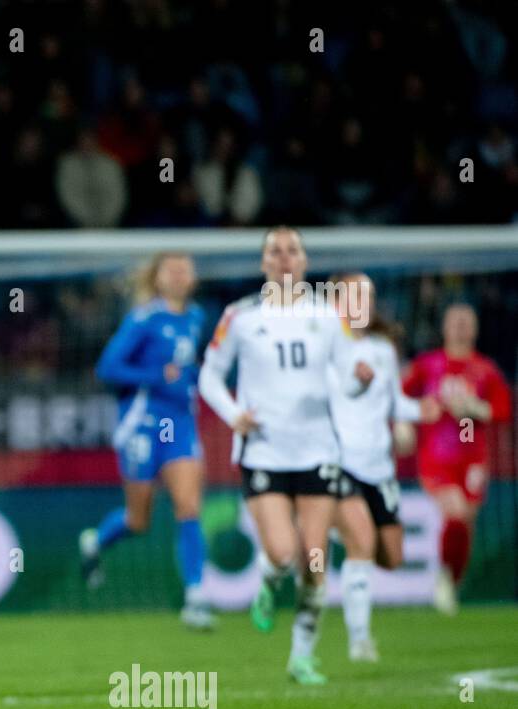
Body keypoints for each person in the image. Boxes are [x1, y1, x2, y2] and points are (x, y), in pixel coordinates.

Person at [198, 226, 373, 685]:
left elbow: (348, 380)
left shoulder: (328, 316)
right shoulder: (239, 317)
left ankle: (301, 656)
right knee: (282, 552)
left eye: (292, 250)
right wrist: (233, 413)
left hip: (317, 451)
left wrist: (362, 378)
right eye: (274, 251)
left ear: (304, 261)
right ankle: (269, 578)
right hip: (264, 452)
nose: (284, 258)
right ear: (263, 264)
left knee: (314, 557)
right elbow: (210, 376)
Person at [79, 252, 213, 630]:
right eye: (172, 269)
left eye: (186, 268)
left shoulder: (197, 317)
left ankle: (196, 598)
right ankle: (96, 541)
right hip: (142, 423)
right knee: (139, 520)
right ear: (158, 278)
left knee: (188, 506)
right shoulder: (144, 318)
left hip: (181, 423)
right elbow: (108, 367)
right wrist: (157, 375)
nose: (180, 274)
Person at [328, 273, 440, 662]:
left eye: (369, 296)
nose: (365, 302)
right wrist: (357, 384)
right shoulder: (327, 347)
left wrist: (419, 411)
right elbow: (342, 391)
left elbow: (392, 402)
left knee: (390, 556)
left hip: (379, 465)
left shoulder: (383, 349)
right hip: (340, 462)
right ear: (339, 302)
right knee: (361, 543)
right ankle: (360, 639)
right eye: (356, 295)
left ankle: (324, 529)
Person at [402, 304, 513, 614]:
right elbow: (400, 396)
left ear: (475, 329)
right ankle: (445, 581)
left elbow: (502, 410)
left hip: (472, 457)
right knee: (455, 510)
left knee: (463, 522)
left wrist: (475, 409)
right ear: (445, 328)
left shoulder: (484, 370)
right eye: (456, 322)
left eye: (467, 322)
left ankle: (451, 580)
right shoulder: (428, 365)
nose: (462, 328)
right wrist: (404, 425)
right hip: (437, 456)